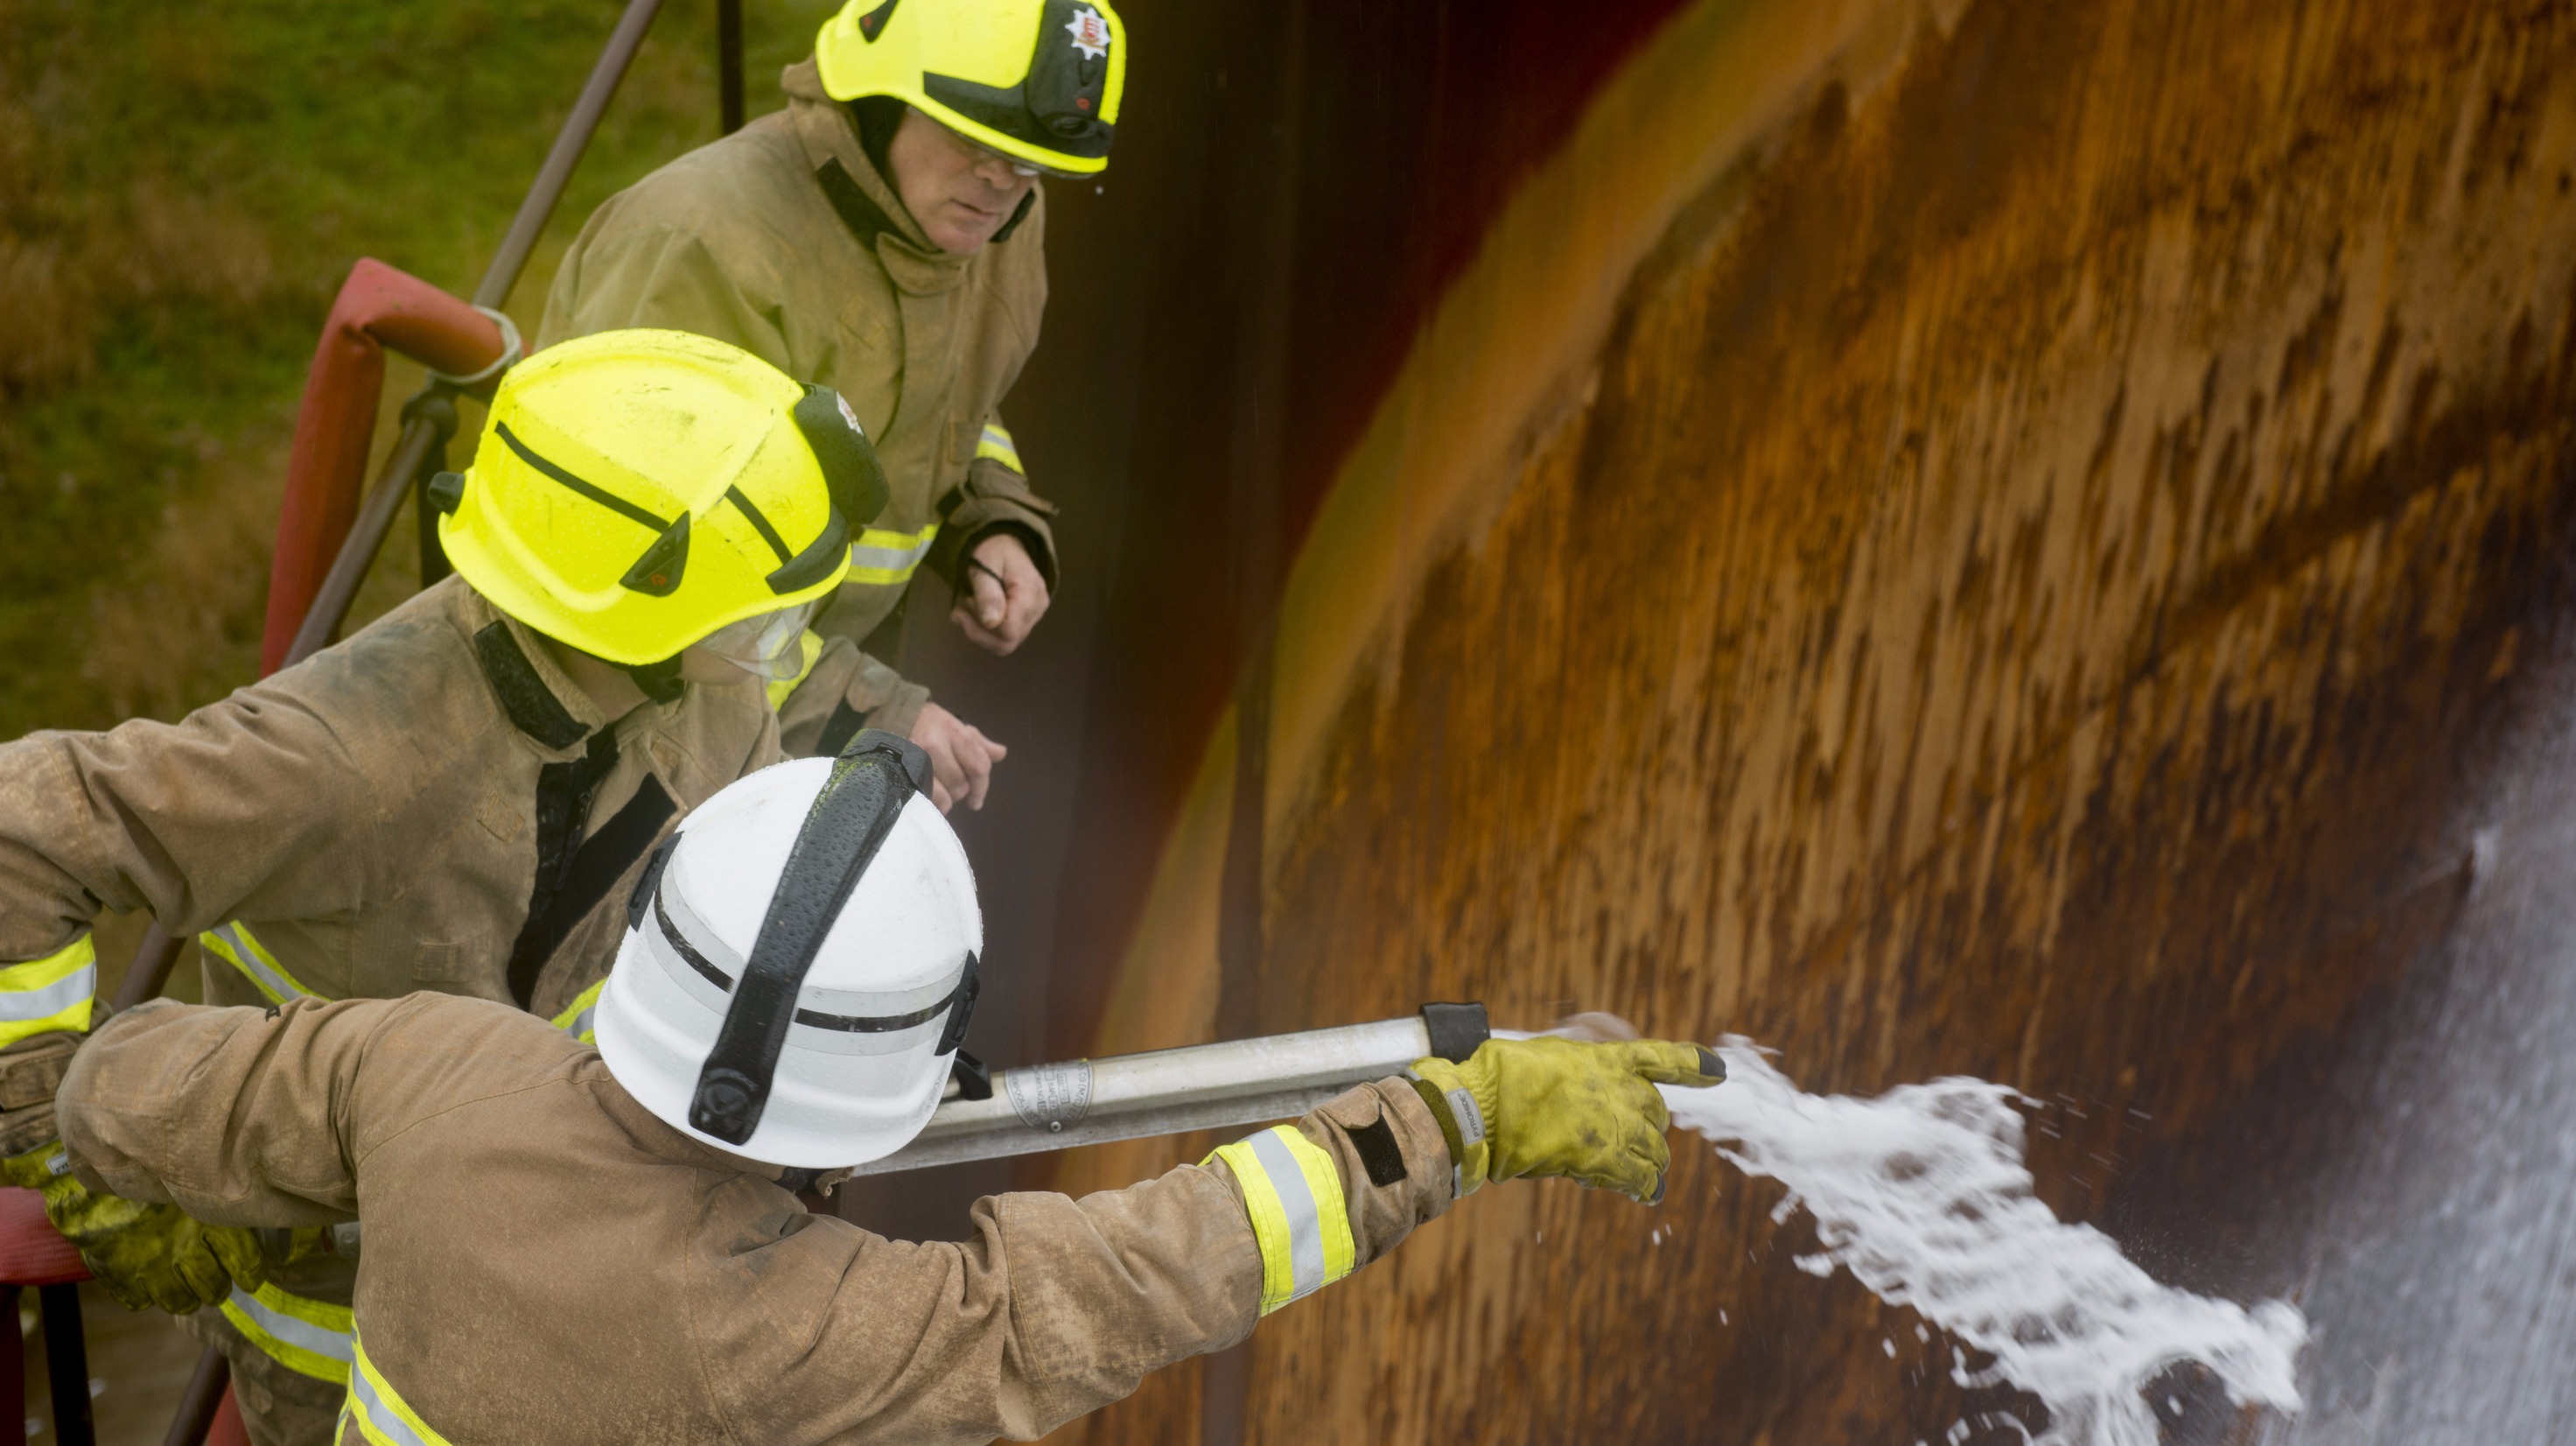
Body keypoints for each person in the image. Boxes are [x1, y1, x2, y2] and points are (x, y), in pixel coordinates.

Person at [10, 732, 1725, 1445]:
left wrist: (58, 1107)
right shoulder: (778, 1328)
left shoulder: (429, 1064)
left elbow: (159, 1094)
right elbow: (1137, 1277)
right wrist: (1452, 1122)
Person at [0, 327, 893, 1446]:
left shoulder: (700, 688)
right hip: (341, 1302)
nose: (782, 641)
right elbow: (22, 831)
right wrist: (54, 1128)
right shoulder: (348, 757)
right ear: (634, 611)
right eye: (763, 614)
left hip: (559, 1235)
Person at [541, 0, 1130, 814]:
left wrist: (985, 517)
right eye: (971, 140)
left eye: (1033, 162)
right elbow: (643, 570)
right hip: (597, 730)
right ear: (878, 103)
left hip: (777, 709)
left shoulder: (992, 221)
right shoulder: (706, 250)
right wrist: (866, 709)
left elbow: (955, 398)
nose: (1001, 184)